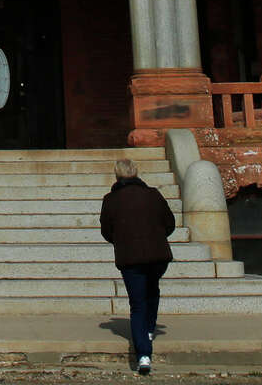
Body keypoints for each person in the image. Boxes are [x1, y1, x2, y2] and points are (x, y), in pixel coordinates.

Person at [100, 156, 176, 375]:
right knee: (152, 291)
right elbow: (169, 223)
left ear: (116, 175)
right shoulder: (154, 195)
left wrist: (122, 240)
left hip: (130, 258)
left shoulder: (110, 200)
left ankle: (144, 354)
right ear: (136, 173)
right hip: (158, 255)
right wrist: (157, 236)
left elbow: (106, 231)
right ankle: (149, 330)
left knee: (138, 303)